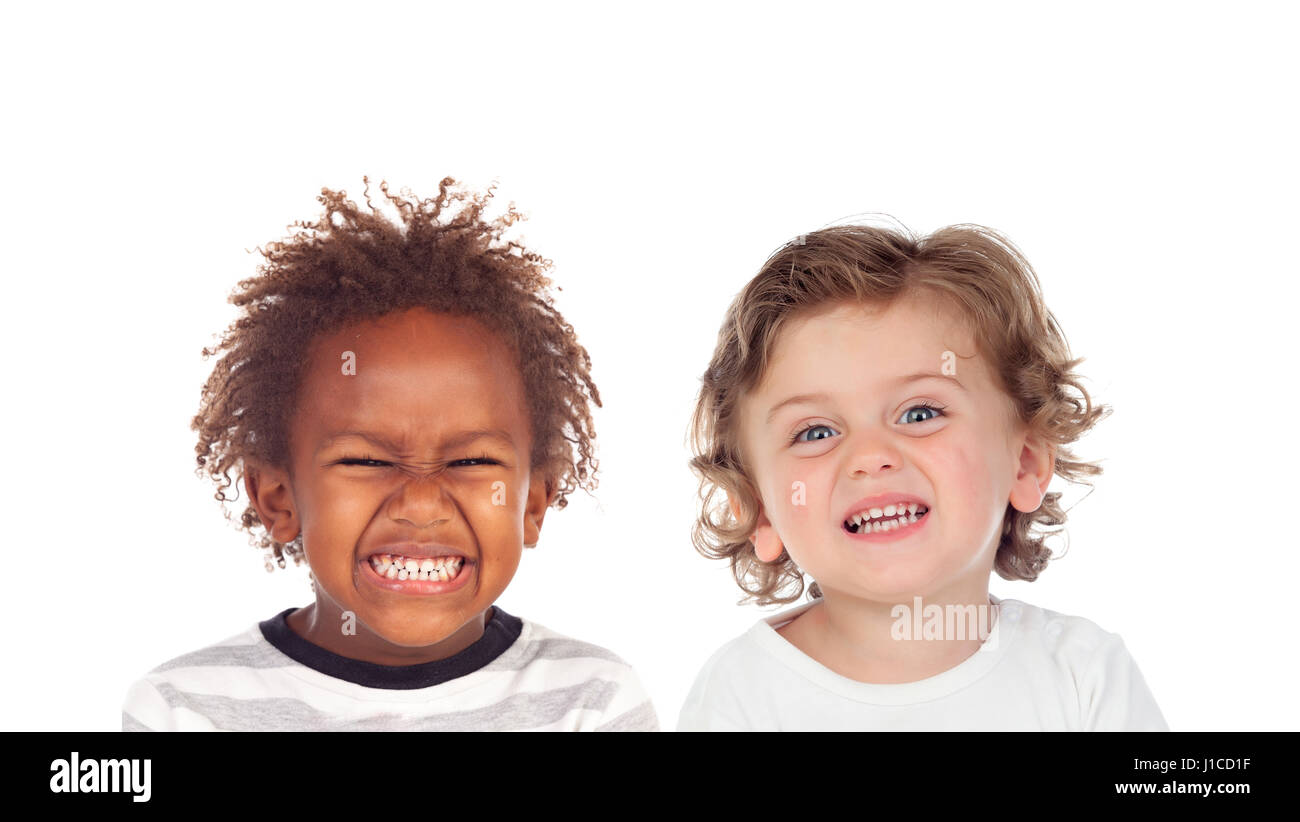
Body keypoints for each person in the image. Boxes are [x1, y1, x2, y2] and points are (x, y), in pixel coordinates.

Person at [122, 178, 658, 731]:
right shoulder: (184, 710)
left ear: (534, 503)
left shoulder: (592, 701)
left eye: (472, 462)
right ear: (277, 499)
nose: (422, 504)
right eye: (367, 462)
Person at [678, 222, 1167, 731]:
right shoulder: (741, 696)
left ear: (1024, 463)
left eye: (919, 414)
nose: (870, 456)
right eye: (815, 432)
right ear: (758, 508)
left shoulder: (1082, 675)